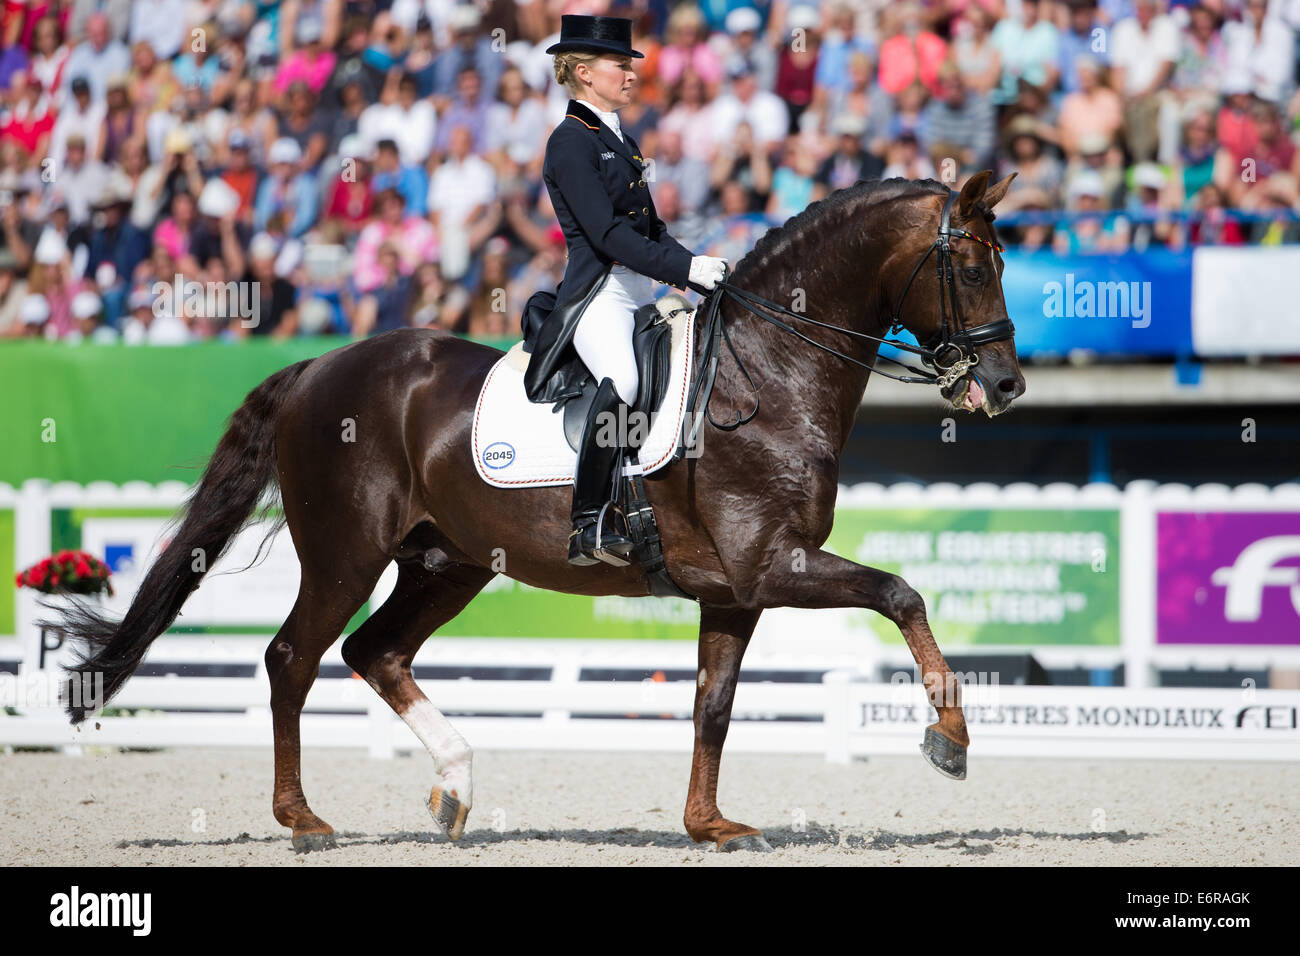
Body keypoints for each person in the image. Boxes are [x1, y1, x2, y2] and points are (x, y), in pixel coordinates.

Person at [531, 14, 726, 567]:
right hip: (601, 292)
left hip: (643, 285)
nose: (631, 74)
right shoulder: (570, 142)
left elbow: (651, 230)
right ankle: (587, 521)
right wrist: (685, 271)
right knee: (627, 378)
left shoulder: (622, 140)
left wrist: (693, 266)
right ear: (586, 73)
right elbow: (608, 236)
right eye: (621, 64)